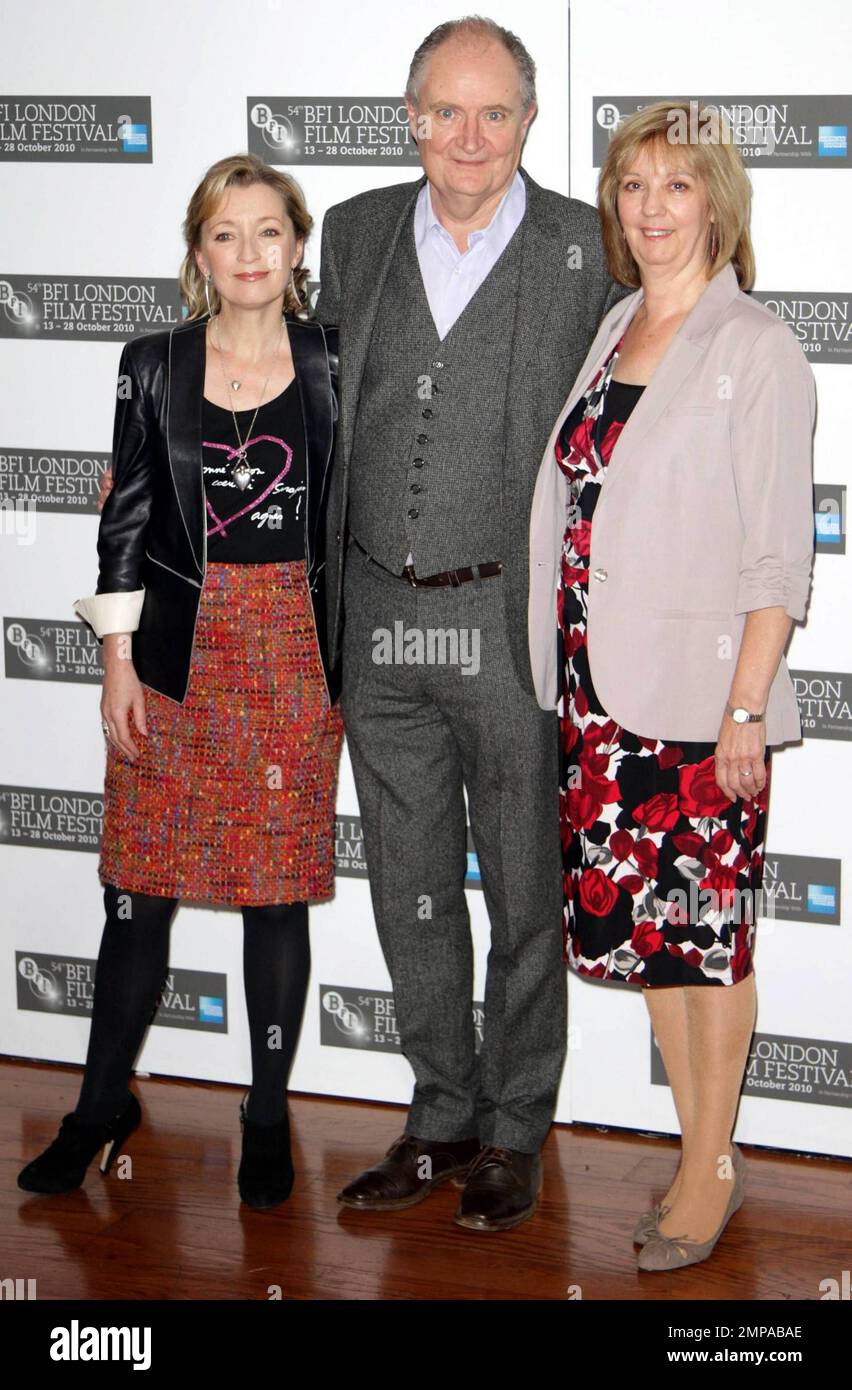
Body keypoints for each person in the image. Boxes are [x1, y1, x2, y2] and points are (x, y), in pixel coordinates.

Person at [315, 16, 625, 1231]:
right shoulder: (351, 234)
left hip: (508, 621)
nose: (468, 137)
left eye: (494, 112)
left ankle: (514, 1129)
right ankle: (439, 1113)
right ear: (409, 116)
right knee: (410, 885)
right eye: (445, 110)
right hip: (379, 618)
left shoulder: (583, 245)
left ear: (531, 123)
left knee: (525, 888)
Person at [17, 154, 343, 1210]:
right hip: (173, 654)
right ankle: (98, 1103)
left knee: (274, 893)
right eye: (224, 234)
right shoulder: (152, 362)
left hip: (296, 648)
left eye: (267, 231)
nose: (248, 254)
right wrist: (115, 658)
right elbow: (124, 517)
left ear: (297, 245)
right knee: (137, 893)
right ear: (198, 252)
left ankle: (264, 1110)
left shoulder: (339, 359)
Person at [529, 101, 815, 1268]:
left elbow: (776, 555)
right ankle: (705, 1152)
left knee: (707, 939)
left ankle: (710, 1168)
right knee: (649, 940)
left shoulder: (756, 346)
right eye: (633, 186)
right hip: (602, 697)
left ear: (717, 204)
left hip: (703, 705)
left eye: (676, 186)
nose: (651, 209)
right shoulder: (615, 327)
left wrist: (745, 706)